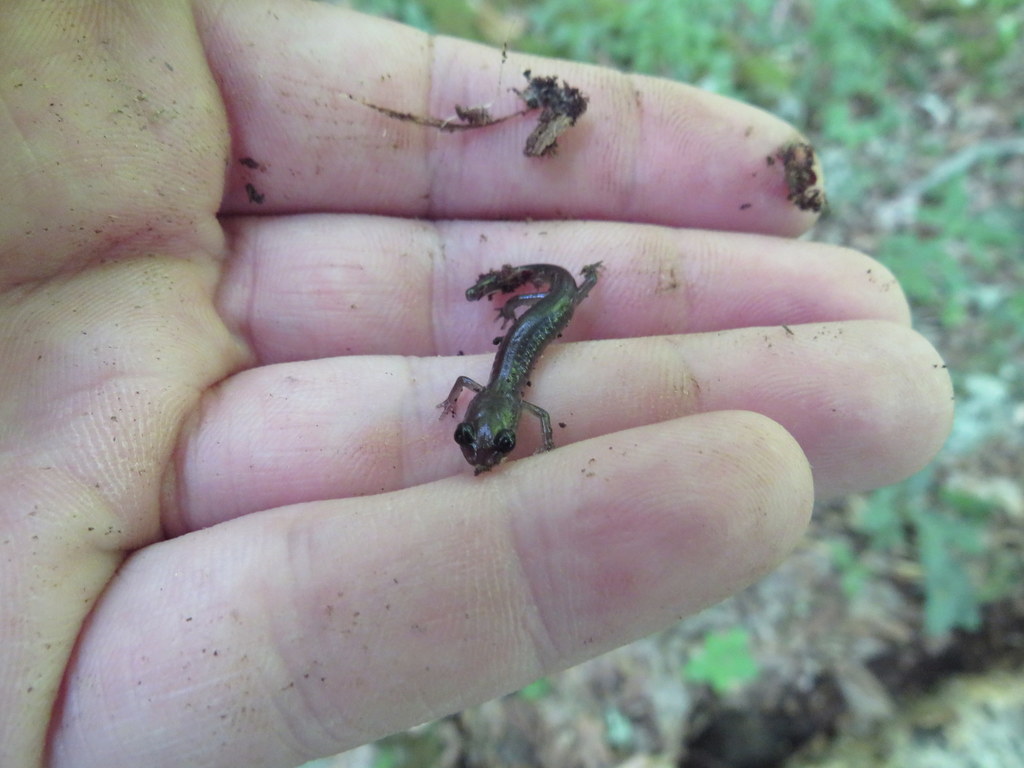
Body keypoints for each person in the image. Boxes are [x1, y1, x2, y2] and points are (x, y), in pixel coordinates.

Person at [0, 2, 953, 767]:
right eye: (485, 439)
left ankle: (571, 282)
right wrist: (495, 398)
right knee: (544, 304)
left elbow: (518, 400)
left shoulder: (518, 397)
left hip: (549, 318)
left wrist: (545, 344)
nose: (485, 440)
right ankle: (555, 282)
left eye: (488, 439)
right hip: (528, 326)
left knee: (564, 297)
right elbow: (496, 394)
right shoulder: (499, 399)